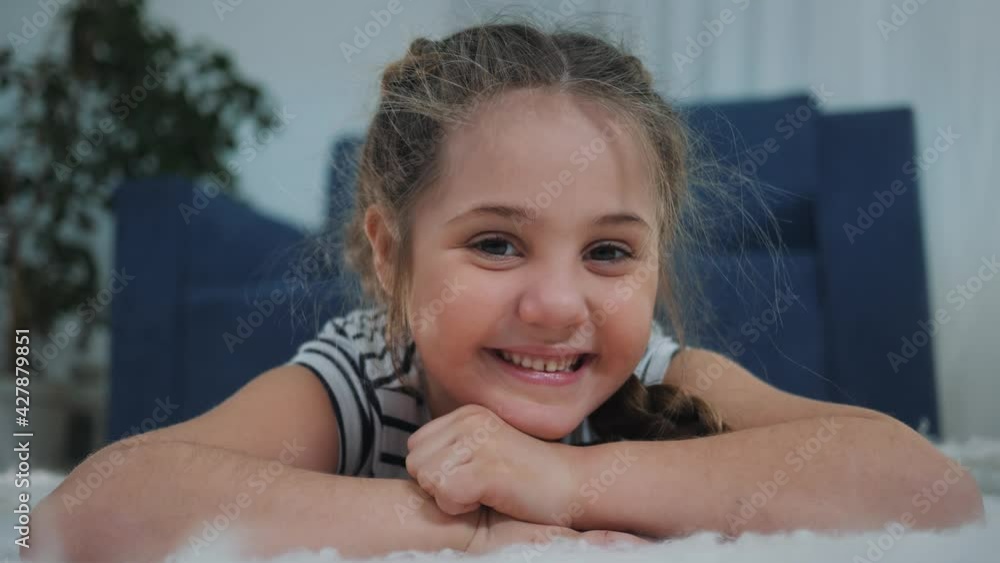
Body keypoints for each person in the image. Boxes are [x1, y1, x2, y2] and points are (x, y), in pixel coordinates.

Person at [26, 20, 984, 563]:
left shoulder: (655, 372)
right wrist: (472, 523)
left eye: (609, 254)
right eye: (496, 242)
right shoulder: (364, 375)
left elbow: (929, 489)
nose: (558, 304)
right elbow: (90, 512)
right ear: (389, 255)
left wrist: (564, 482)